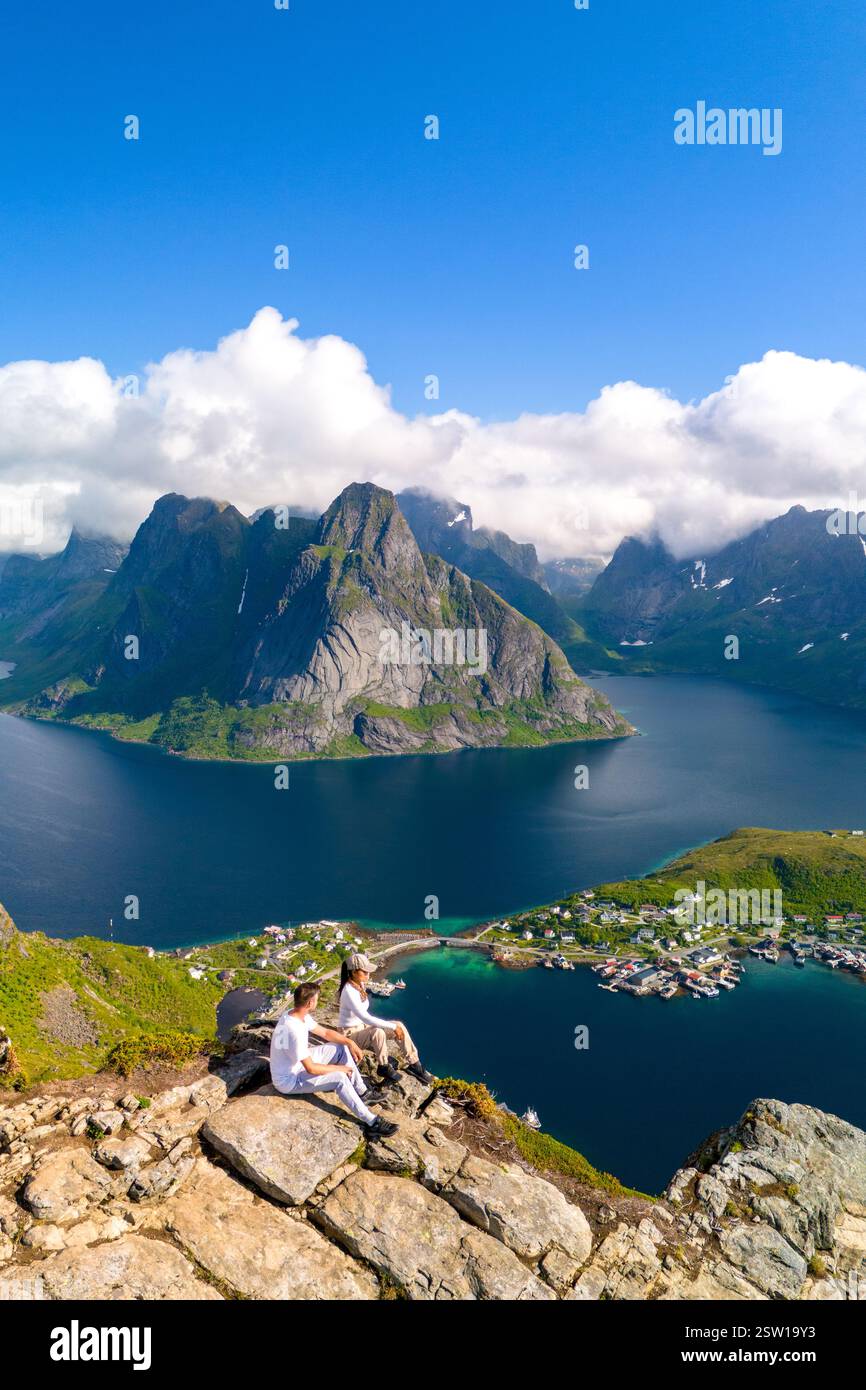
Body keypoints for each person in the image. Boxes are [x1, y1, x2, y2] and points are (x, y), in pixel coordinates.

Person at [270, 981, 398, 1137]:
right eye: (317, 998)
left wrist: (349, 1042)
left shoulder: (295, 1014)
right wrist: (340, 1069)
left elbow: (325, 1033)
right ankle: (373, 1122)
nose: (318, 1000)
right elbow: (311, 1068)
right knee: (339, 1078)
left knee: (340, 1047)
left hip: (295, 1064)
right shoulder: (293, 1031)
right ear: (310, 1002)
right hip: (289, 1080)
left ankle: (362, 1093)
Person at [338, 953, 433, 1085]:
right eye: (364, 972)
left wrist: (395, 1027)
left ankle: (414, 1063)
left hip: (362, 1028)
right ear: (353, 972)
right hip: (350, 1035)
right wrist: (392, 1028)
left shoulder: (359, 984)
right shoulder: (349, 991)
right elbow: (365, 1017)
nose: (368, 974)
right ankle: (383, 1067)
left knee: (398, 1024)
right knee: (379, 1031)